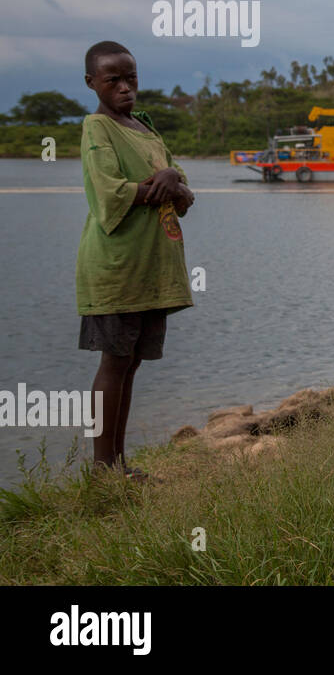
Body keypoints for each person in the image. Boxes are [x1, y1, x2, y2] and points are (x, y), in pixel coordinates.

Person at [78, 41, 195, 481]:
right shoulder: (97, 127)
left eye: (131, 78)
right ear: (92, 84)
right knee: (113, 361)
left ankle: (119, 464)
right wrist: (167, 180)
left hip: (152, 270)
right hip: (117, 268)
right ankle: (103, 470)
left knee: (131, 363)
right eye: (113, 80)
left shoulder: (145, 128)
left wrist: (171, 179)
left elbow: (184, 193)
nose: (125, 88)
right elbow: (111, 193)